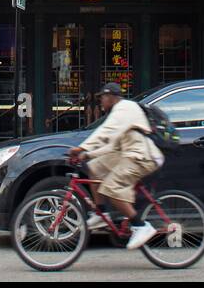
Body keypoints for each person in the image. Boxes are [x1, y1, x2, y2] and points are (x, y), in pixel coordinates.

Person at [66, 82, 164, 250]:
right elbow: (111, 145)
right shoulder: (119, 111)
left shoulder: (125, 108)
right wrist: (87, 155)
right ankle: (101, 213)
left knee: (110, 188)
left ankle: (141, 226)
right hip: (127, 153)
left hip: (142, 157)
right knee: (94, 168)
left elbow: (106, 132)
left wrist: (81, 147)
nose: (101, 102)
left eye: (102, 98)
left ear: (111, 97)